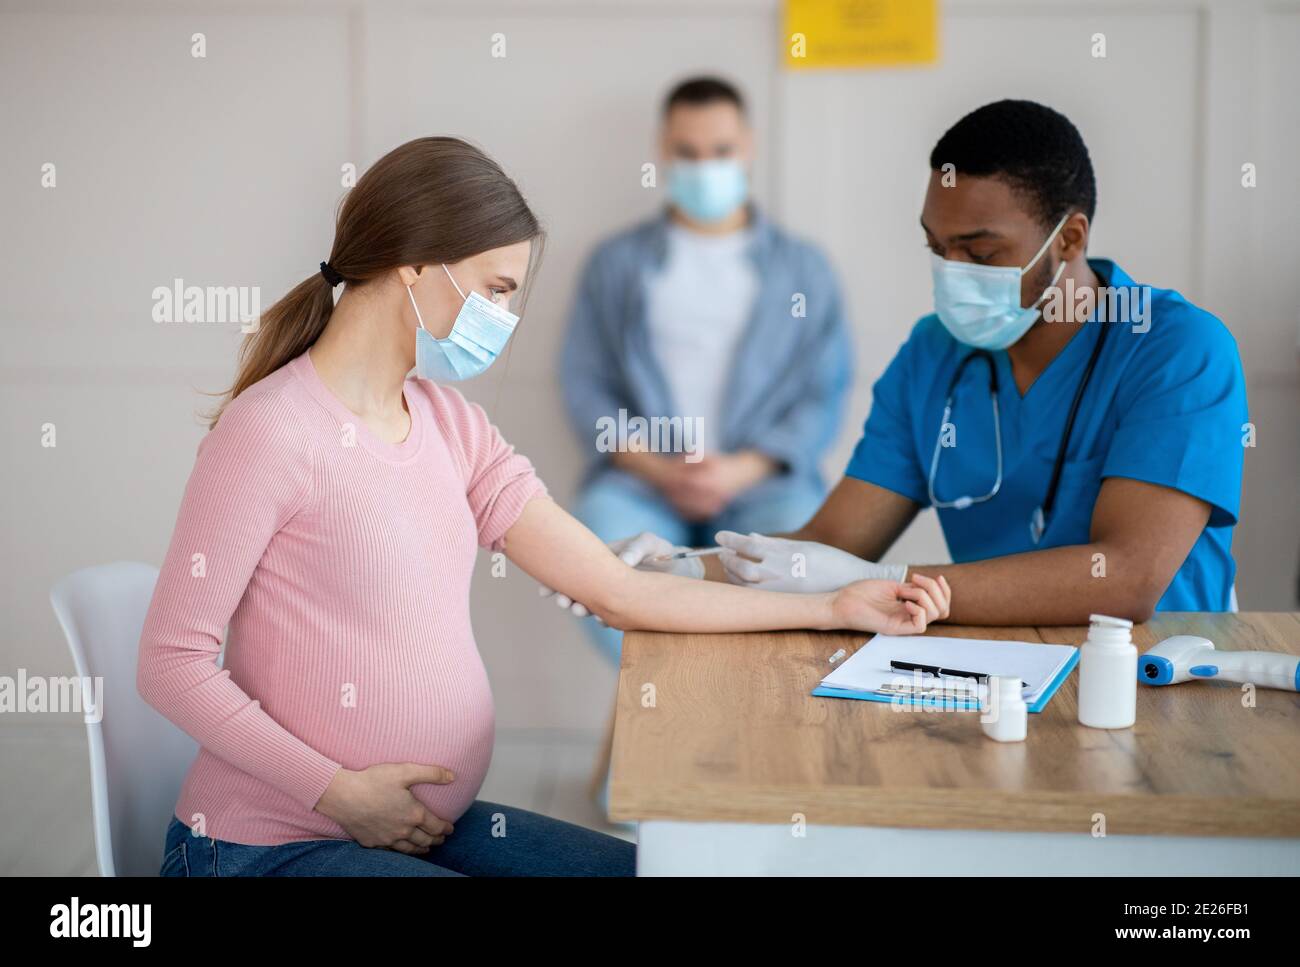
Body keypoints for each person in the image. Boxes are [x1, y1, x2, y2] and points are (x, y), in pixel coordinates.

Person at [138, 137, 950, 877]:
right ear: (416, 264)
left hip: (412, 826)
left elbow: (617, 589)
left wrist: (834, 604)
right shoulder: (271, 432)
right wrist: (339, 791)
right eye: (495, 289)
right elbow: (170, 661)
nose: (503, 319)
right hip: (268, 844)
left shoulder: (450, 423)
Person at [554, 99, 1247, 627]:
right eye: (936, 247)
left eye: (979, 253)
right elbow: (827, 541)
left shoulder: (1176, 350)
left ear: (1068, 239)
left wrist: (873, 577)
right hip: (995, 664)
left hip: (1157, 673)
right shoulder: (933, 355)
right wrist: (672, 568)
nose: (952, 273)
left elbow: (1125, 576)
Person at [559, 76, 853, 665]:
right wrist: (662, 471)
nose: (704, 166)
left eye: (720, 150)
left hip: (764, 485)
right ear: (662, 151)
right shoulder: (616, 264)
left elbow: (822, 395)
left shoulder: (804, 269)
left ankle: (730, 721)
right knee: (594, 559)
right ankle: (671, 715)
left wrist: (739, 471)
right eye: (686, 152)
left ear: (748, 145)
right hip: (642, 483)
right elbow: (586, 386)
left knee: (804, 562)